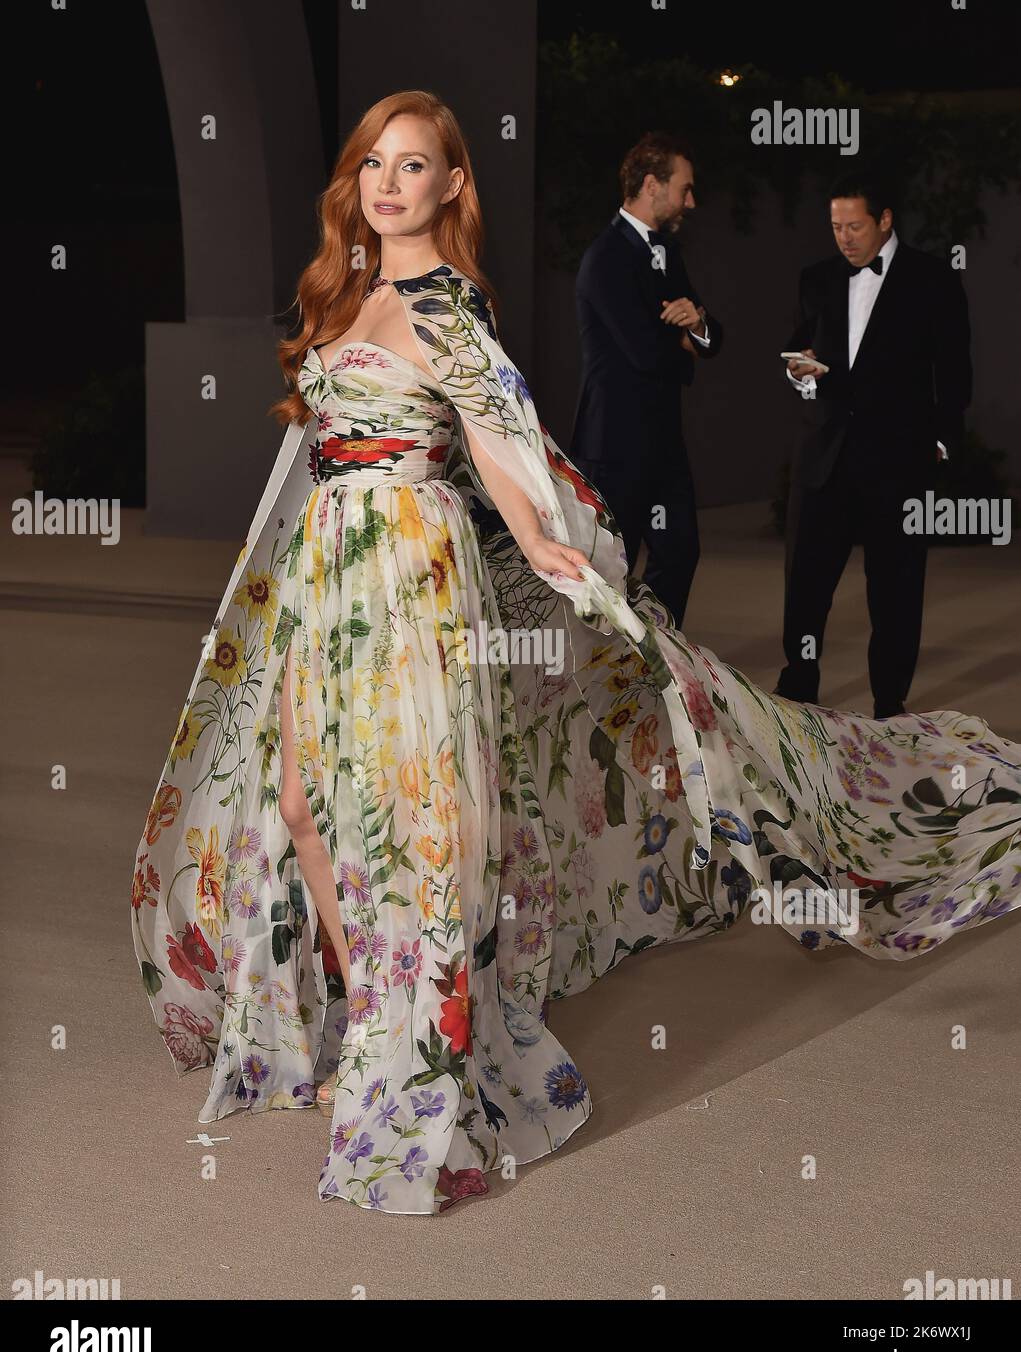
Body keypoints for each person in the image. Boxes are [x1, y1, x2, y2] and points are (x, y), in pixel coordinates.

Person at [131, 93, 1020, 1217]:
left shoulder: (448, 306)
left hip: (410, 572)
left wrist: (547, 542)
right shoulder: (341, 292)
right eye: (372, 165)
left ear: (454, 185)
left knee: (421, 814)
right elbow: (314, 448)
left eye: (414, 167)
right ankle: (372, 1014)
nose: (387, 184)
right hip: (327, 577)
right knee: (306, 811)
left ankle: (413, 1055)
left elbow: (502, 444)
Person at [776, 170, 972, 719]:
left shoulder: (933, 280)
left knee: (896, 591)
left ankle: (890, 703)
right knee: (806, 585)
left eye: (855, 225)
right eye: (836, 226)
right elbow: (798, 353)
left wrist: (940, 445)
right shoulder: (814, 279)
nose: (844, 237)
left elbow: (954, 373)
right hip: (824, 460)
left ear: (885, 220)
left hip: (897, 462)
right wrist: (800, 373)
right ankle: (799, 694)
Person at [572, 132, 722, 628]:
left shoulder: (667, 253)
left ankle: (659, 663)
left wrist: (696, 328)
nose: (691, 201)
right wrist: (682, 352)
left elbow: (710, 332)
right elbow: (644, 352)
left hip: (662, 443)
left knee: (680, 554)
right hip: (613, 445)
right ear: (652, 185)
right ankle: (610, 683)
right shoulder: (606, 257)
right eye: (685, 188)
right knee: (609, 572)